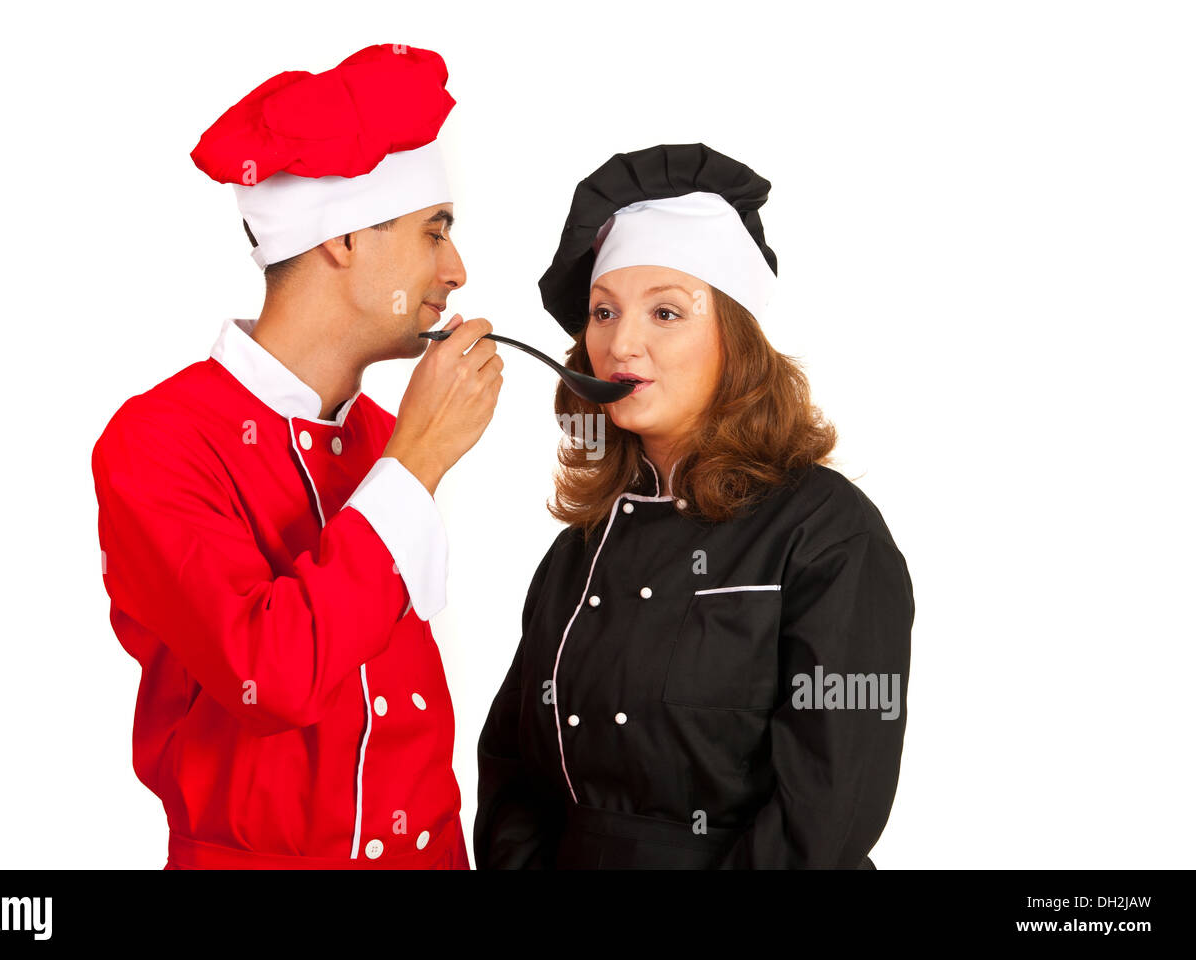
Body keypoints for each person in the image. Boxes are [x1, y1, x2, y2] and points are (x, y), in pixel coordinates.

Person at [91, 43, 503, 869]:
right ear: (345, 239)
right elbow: (270, 674)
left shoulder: (382, 437)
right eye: (435, 232)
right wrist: (416, 465)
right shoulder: (158, 441)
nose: (456, 270)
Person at [474, 143, 914, 868]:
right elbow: (513, 774)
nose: (623, 343)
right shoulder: (579, 548)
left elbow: (830, 811)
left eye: (667, 313)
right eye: (604, 312)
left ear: (733, 339)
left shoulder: (830, 537)